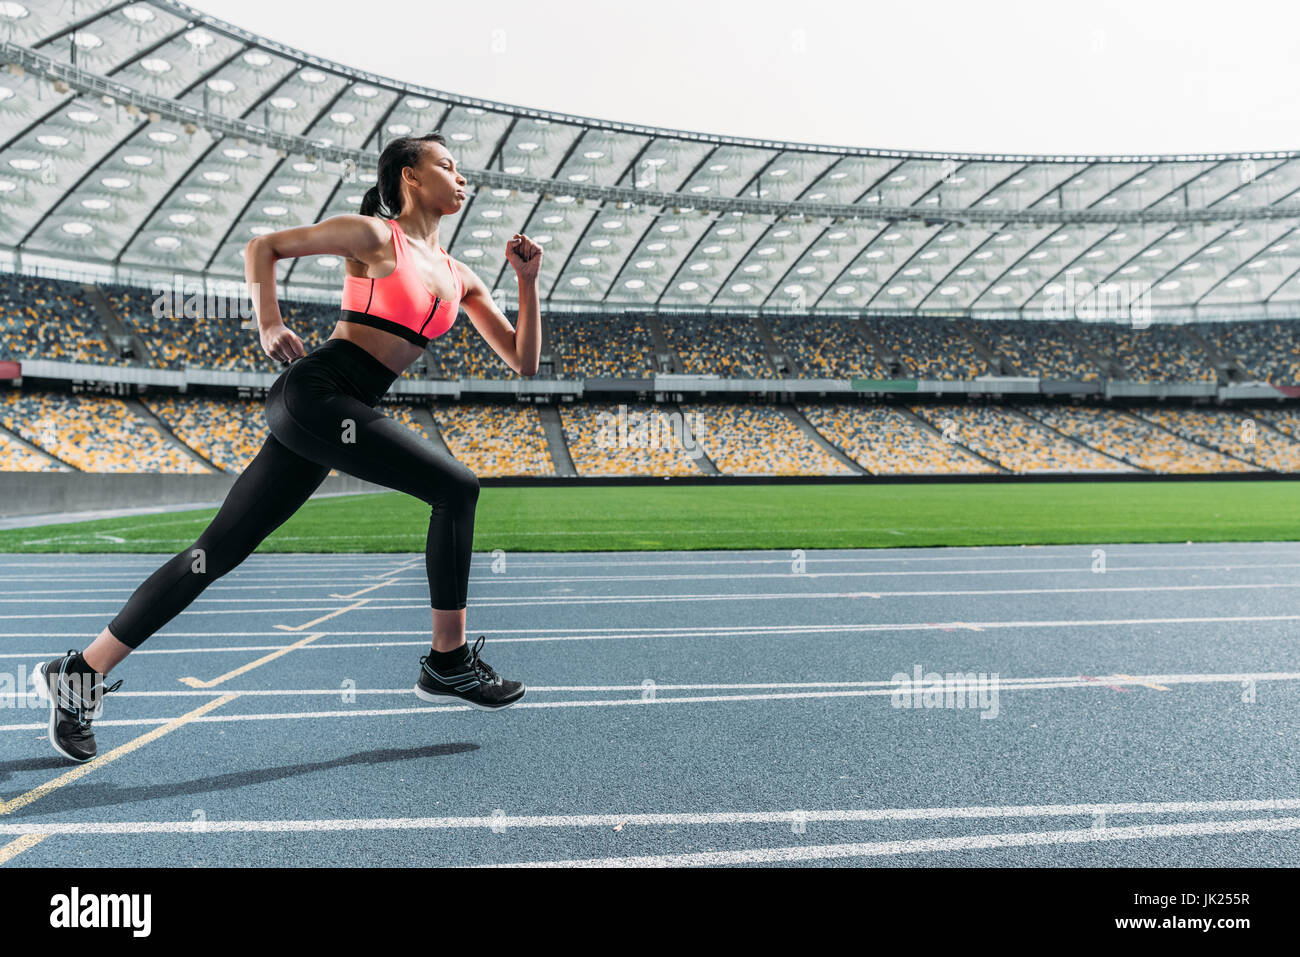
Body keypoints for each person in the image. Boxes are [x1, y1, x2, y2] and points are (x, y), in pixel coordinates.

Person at [35, 132, 543, 763]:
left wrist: (527, 281)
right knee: (456, 487)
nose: (462, 178)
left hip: (340, 414)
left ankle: (80, 671)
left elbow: (522, 361)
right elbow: (264, 246)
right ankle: (448, 660)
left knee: (213, 554)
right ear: (410, 177)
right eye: (447, 165)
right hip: (317, 393)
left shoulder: (459, 276)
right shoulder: (373, 237)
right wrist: (269, 321)